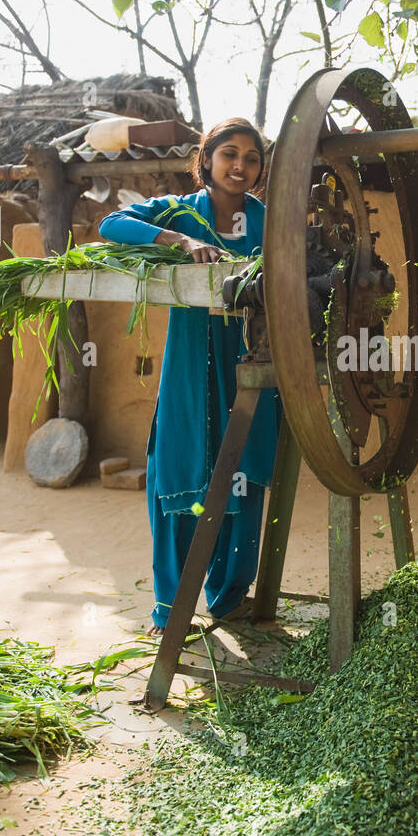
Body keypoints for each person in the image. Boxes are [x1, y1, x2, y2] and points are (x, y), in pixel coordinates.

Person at [98, 118, 280, 635]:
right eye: (229, 154)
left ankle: (228, 599)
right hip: (190, 365)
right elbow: (112, 226)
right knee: (183, 476)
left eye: (251, 157)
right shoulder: (181, 212)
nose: (240, 165)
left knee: (245, 475)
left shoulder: (269, 223)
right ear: (207, 161)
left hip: (252, 363)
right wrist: (178, 240)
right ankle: (170, 608)